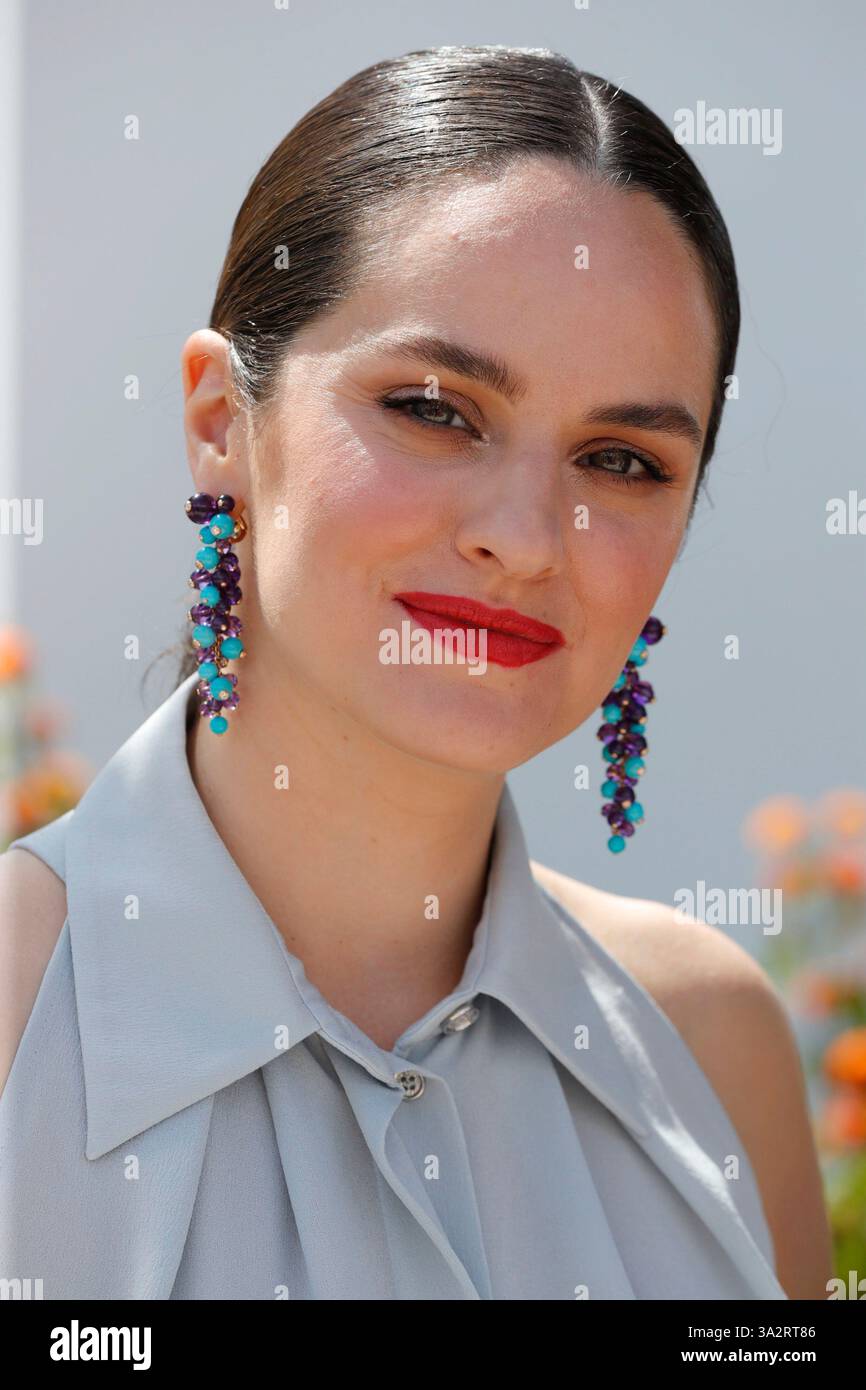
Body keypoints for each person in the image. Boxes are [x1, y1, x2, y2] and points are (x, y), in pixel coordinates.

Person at [0, 45, 831, 1300]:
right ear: (221, 421)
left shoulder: (715, 1046)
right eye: (436, 409)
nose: (526, 536)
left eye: (621, 462)